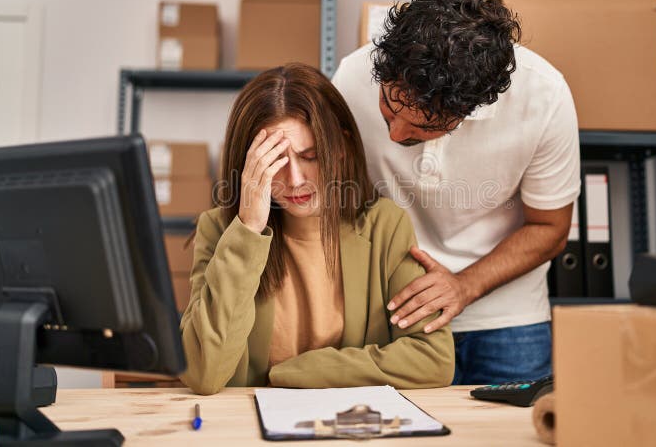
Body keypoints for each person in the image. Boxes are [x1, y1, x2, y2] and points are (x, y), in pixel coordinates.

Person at [332, 0, 580, 385]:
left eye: (422, 126)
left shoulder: (545, 97)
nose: (394, 134)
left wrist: (464, 286)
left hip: (506, 321)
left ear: (473, 106)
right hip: (392, 312)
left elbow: (550, 228)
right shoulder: (351, 77)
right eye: (389, 106)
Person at [179, 63, 454, 395]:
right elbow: (202, 373)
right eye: (276, 162)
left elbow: (433, 359)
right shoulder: (220, 230)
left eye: (310, 156)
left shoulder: (385, 225)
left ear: (338, 148)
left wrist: (296, 373)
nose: (295, 180)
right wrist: (248, 229)